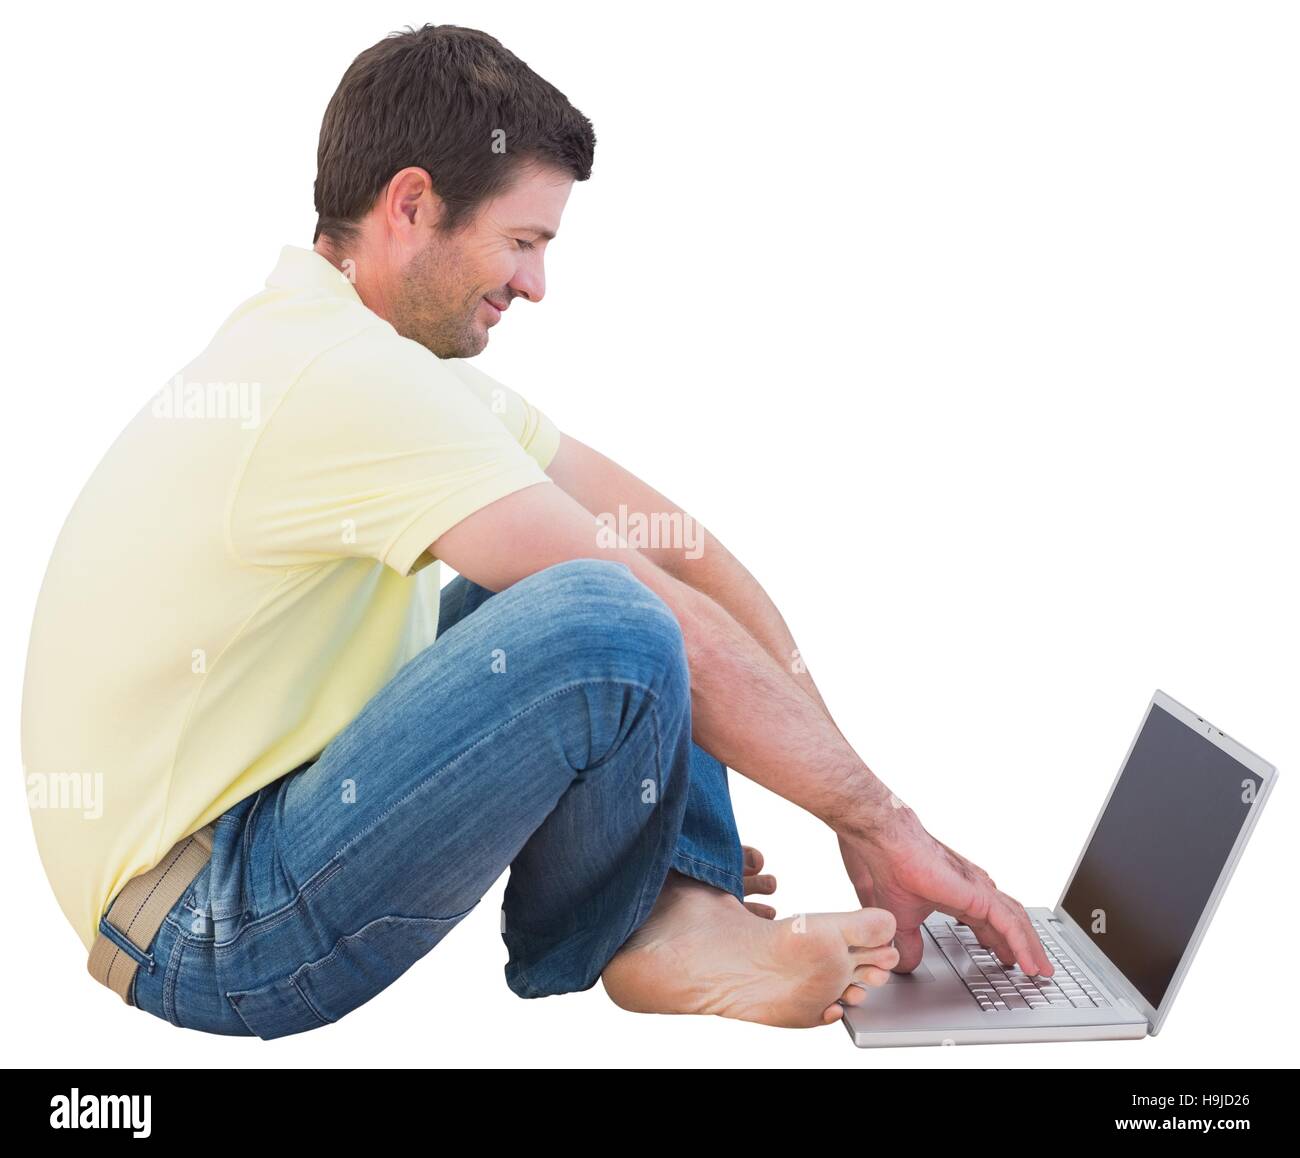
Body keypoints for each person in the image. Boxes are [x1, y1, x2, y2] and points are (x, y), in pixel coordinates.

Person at [22, 23, 1051, 1040]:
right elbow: (655, 619)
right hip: (207, 929)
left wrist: (858, 816)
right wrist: (881, 824)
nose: (535, 284)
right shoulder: (340, 382)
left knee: (612, 580)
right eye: (524, 242)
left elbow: (677, 544)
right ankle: (651, 930)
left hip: (240, 852)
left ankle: (672, 909)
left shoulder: (365, 361)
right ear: (412, 205)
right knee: (606, 610)